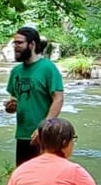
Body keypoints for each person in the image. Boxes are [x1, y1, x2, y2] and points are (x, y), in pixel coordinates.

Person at [4, 26, 64, 166]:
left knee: (44, 180)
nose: (15, 47)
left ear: (32, 44)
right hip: (22, 135)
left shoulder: (48, 68)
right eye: (14, 43)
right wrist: (10, 106)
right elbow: (15, 101)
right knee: (24, 179)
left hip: (45, 137)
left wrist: (44, 127)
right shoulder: (16, 71)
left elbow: (58, 99)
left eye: (19, 43)